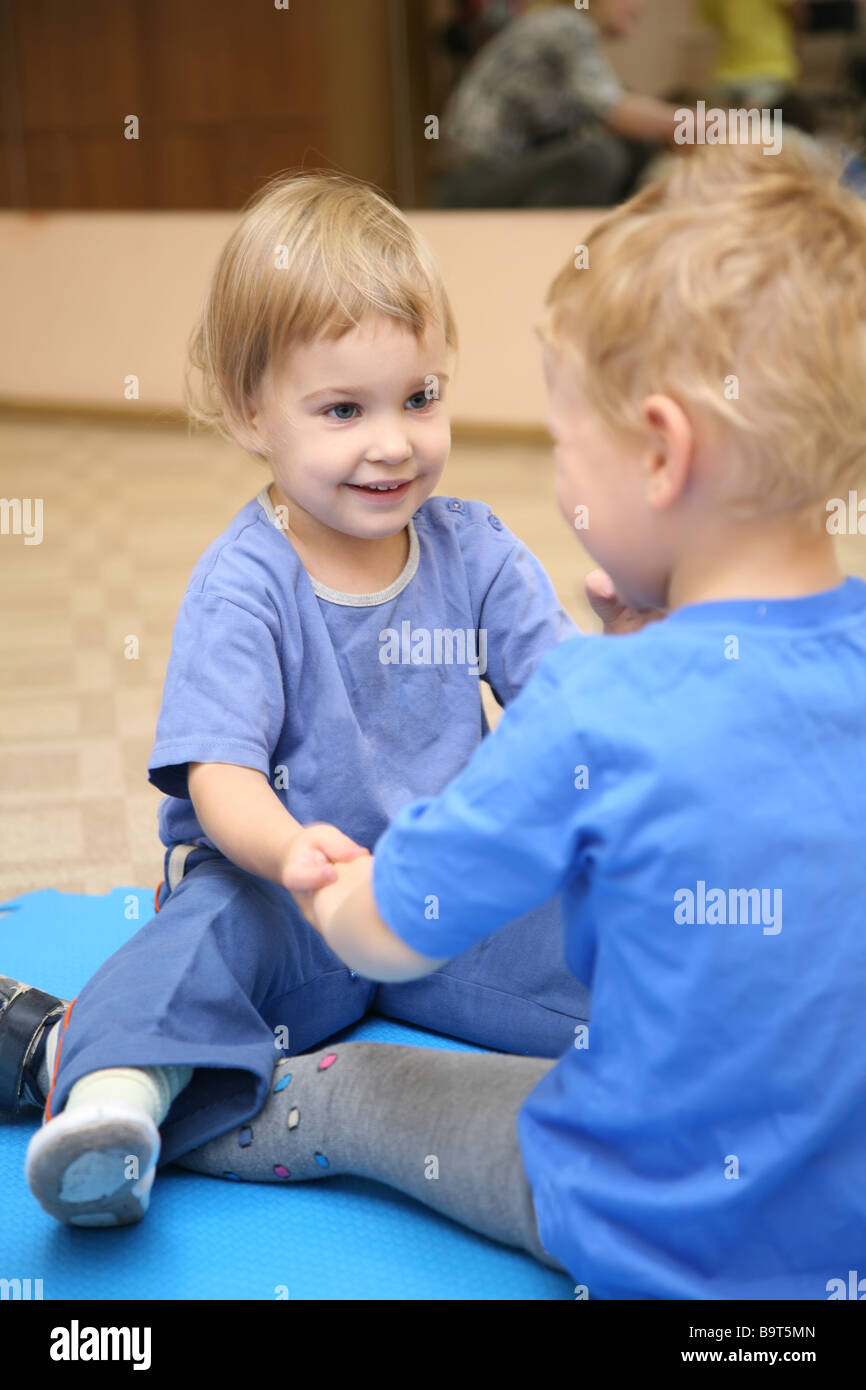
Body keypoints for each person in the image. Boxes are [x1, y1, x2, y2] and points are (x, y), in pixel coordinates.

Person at [167, 140, 866, 1297]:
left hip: (644, 1224)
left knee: (363, 1087)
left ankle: (166, 1105)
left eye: (562, 444)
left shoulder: (596, 706)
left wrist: (332, 888)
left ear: (659, 451)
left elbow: (391, 931)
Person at [3, 168, 629, 1230]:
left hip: (439, 888)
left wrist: (630, 652)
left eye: (418, 398)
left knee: (607, 931)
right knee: (195, 943)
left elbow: (563, 709)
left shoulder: (473, 548)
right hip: (284, 896)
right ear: (252, 413)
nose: (391, 441)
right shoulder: (246, 579)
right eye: (343, 409)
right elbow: (220, 773)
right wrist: (291, 852)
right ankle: (112, 1093)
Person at [433, 0, 697, 207]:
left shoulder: (567, 35)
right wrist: (700, 124)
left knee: (632, 148)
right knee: (596, 159)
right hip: (472, 182)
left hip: (490, 177)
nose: (639, 7)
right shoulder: (565, 25)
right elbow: (615, 110)